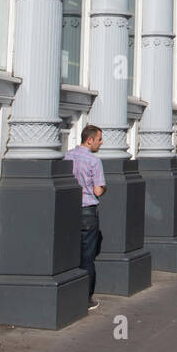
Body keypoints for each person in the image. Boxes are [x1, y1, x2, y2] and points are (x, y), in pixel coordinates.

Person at [67, 124, 107, 311]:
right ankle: (86, 298)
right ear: (89, 140)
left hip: (68, 208)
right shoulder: (94, 161)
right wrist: (103, 188)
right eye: (99, 139)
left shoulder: (66, 156)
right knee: (87, 256)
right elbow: (98, 189)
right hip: (87, 211)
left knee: (69, 253)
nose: (101, 142)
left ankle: (69, 292)